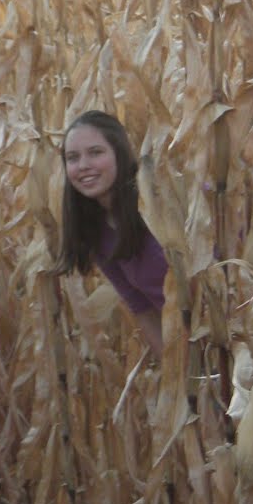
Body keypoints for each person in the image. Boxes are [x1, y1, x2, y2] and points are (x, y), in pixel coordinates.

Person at [56, 110, 166, 359]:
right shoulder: (97, 234)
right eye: (72, 158)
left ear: (120, 153)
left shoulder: (162, 200)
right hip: (194, 354)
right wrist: (178, 373)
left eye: (95, 152)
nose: (83, 165)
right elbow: (142, 308)